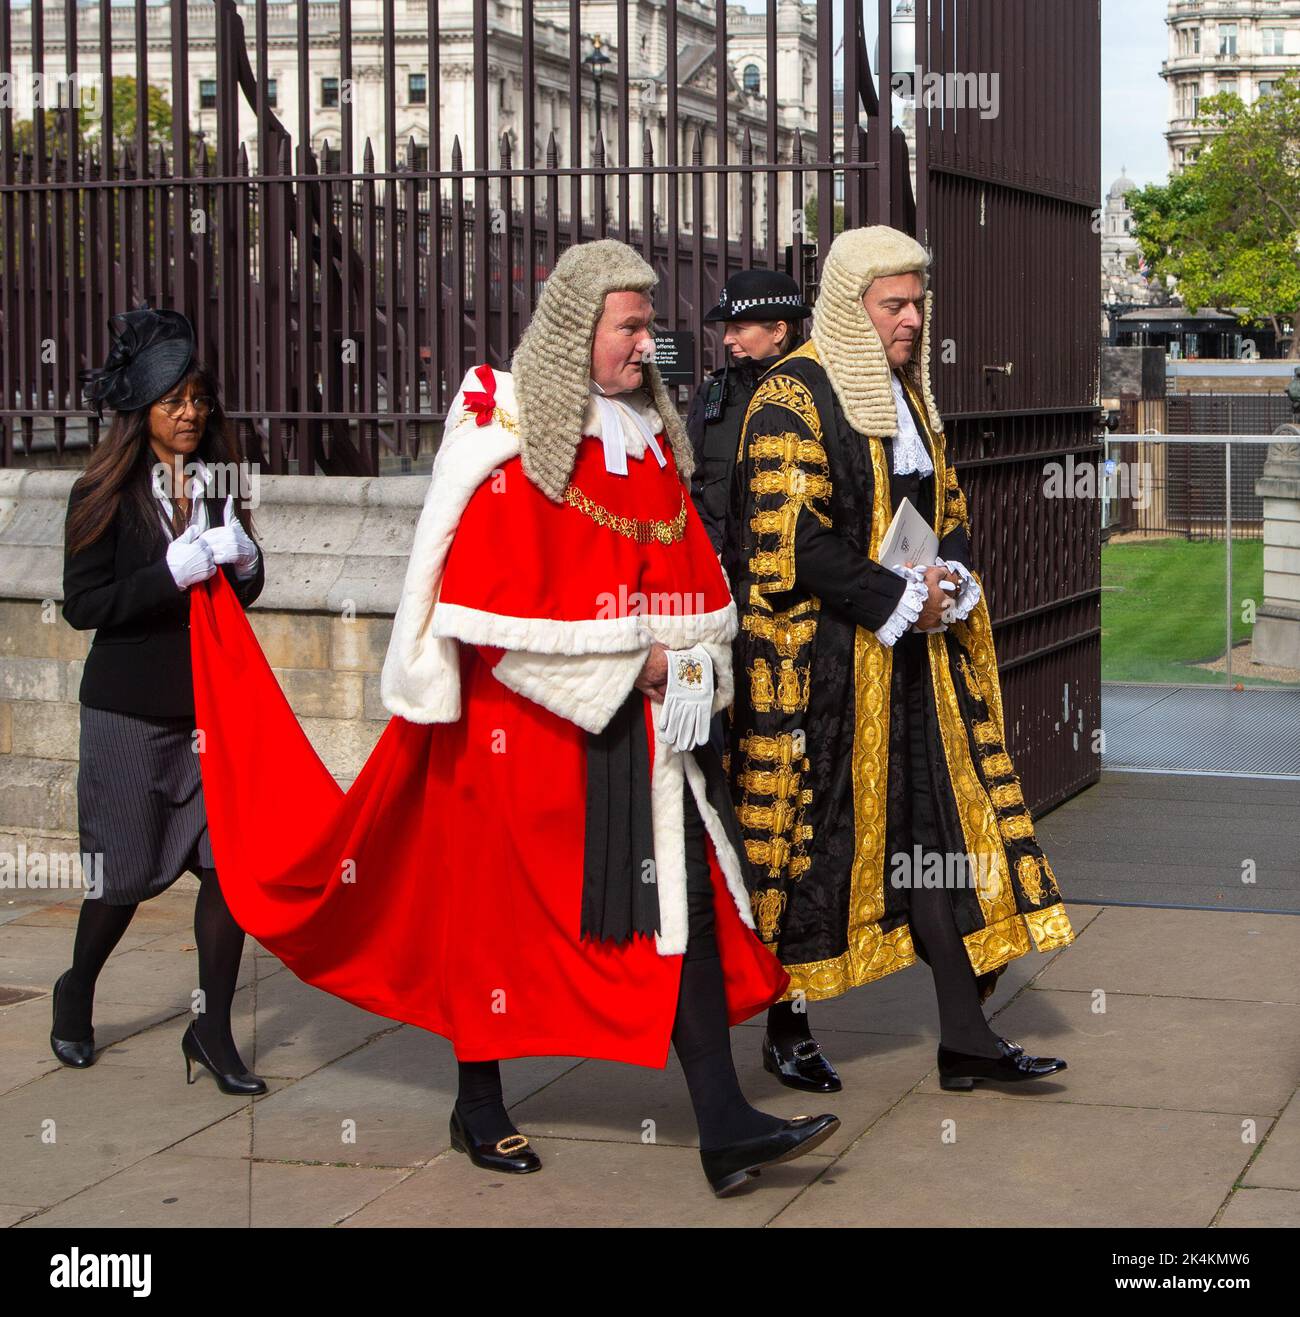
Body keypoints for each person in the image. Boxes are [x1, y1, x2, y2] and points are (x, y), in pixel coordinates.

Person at [186, 239, 840, 1195]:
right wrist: (636, 664)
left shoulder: (650, 436)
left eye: (649, 324)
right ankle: (478, 1102)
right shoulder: (513, 431)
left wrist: (688, 664)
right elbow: (494, 613)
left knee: (687, 905)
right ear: (580, 328)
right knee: (492, 926)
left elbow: (693, 580)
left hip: (640, 735)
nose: (647, 341)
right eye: (632, 324)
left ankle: (724, 1123)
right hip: (519, 740)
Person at [723, 225, 1075, 1094]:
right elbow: (789, 540)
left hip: (914, 664)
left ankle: (965, 1037)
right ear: (852, 306)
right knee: (807, 845)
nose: (913, 318)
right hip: (822, 673)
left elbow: (942, 502)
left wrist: (951, 574)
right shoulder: (791, 398)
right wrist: (900, 597)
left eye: (918, 301)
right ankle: (785, 1024)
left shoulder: (910, 397)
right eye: (896, 303)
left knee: (935, 836)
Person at [53, 305, 267, 1096]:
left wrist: (242, 561)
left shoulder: (216, 482)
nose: (190, 413)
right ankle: (77, 986)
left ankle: (210, 1030)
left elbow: (243, 587)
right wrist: (163, 577)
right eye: (174, 399)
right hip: (128, 713)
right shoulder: (99, 492)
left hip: (207, 715)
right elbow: (83, 604)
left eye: (199, 399)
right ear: (143, 407)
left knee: (230, 872)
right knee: (120, 880)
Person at [685, 269, 812, 554]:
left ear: (778, 331)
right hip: (724, 568)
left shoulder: (819, 390)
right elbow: (692, 484)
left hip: (796, 570)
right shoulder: (714, 394)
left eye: (738, 329)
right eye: (726, 329)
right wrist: (713, 552)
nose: (726, 339)